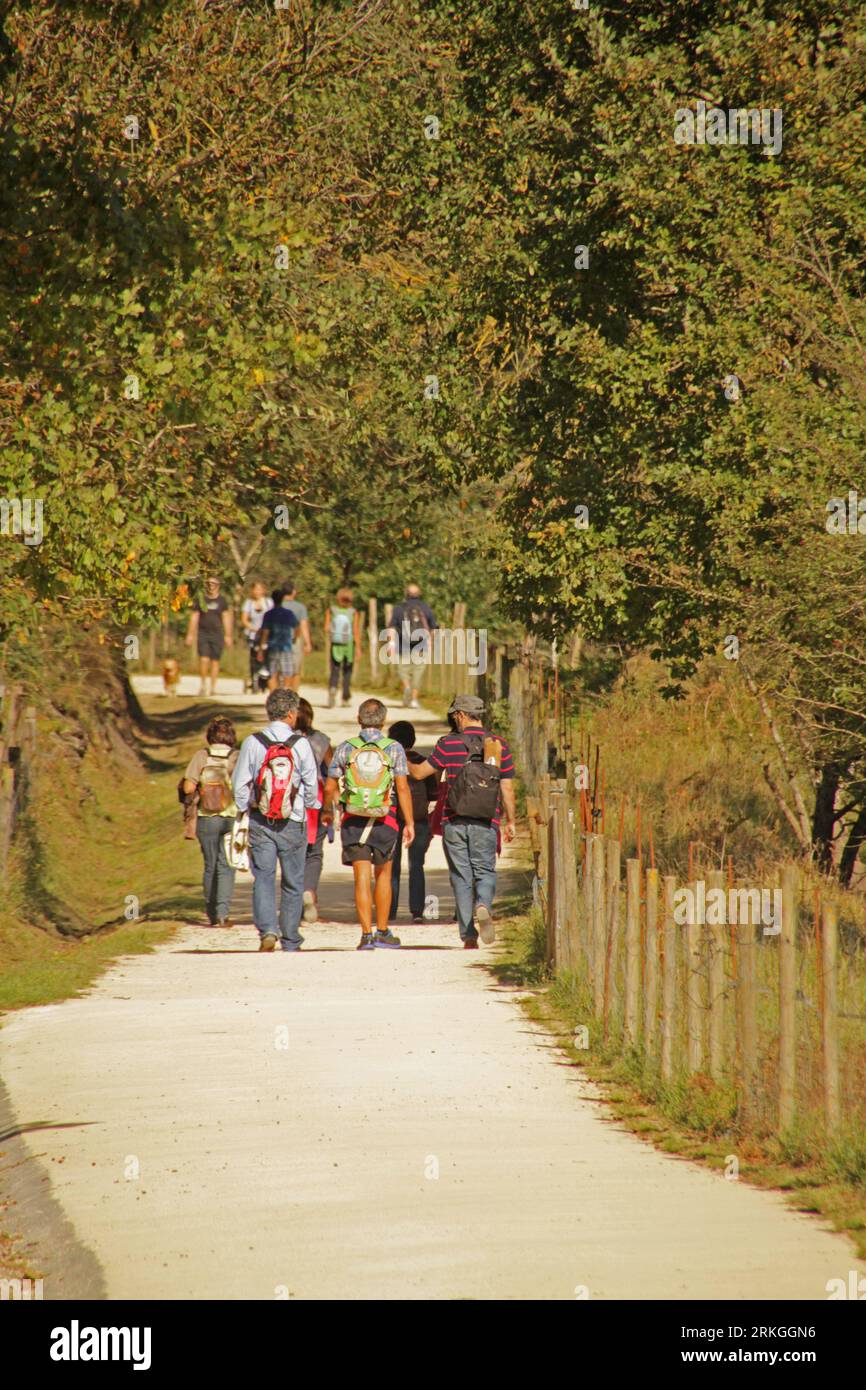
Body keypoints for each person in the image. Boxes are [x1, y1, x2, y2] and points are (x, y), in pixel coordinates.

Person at [408, 694, 516, 949]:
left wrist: (405, 760)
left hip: (454, 820)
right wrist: (510, 820)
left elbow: (422, 772)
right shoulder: (498, 744)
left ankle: (468, 936)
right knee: (485, 871)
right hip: (487, 819)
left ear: (460, 715)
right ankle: (483, 905)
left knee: (461, 876)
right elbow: (507, 787)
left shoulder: (448, 743)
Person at [321, 698, 414, 951]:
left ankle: (366, 935)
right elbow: (403, 787)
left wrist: (327, 812)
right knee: (383, 875)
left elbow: (330, 786)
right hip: (386, 819)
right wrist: (410, 822)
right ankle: (383, 931)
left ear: (358, 719)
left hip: (353, 819)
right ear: (383, 722)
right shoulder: (393, 748)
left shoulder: (345, 748)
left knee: (361, 877)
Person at [232, 688, 320, 952]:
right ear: (292, 714)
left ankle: (268, 931)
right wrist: (307, 807)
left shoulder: (252, 742)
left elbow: (240, 784)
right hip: (293, 821)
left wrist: (245, 808)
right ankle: (291, 937)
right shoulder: (301, 744)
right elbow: (311, 784)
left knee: (264, 878)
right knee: (293, 881)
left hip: (261, 820)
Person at [181, 716, 240, 928]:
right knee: (226, 865)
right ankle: (223, 913)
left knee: (210, 865)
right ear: (231, 736)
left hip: (206, 817)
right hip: (231, 816)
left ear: (210, 735)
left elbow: (188, 787)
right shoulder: (236, 756)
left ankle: (211, 912)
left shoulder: (201, 756)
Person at [387, 720, 438, 924]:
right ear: (413, 739)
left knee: (392, 865)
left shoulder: (388, 761)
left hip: (392, 817)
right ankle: (417, 911)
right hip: (419, 818)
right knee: (416, 865)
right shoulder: (422, 761)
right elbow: (433, 795)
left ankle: (389, 910)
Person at [295, 696, 333, 923]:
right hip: (315, 797)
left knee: (292, 852)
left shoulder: (282, 738)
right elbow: (333, 769)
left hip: (288, 798)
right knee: (314, 852)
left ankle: (294, 900)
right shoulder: (320, 739)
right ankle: (309, 890)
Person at [388, 583, 438, 708]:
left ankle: (407, 687)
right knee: (418, 671)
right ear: (419, 594)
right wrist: (430, 643)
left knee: (403, 669)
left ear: (406, 594)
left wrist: (391, 643)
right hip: (421, 645)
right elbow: (433, 628)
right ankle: (414, 699)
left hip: (402, 644)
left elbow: (391, 627)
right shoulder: (425, 608)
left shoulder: (399, 608)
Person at [185, 576, 232, 697]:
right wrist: (190, 634)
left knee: (215, 661)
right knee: (204, 659)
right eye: (209, 583)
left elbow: (226, 617)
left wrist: (228, 635)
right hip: (203, 633)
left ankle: (213, 687)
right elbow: (195, 616)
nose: (211, 586)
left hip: (217, 634)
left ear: (218, 585)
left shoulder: (222, 601)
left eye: (213, 584)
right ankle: (203, 685)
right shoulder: (201, 600)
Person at [258, 588, 300, 692]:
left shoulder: (268, 614)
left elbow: (265, 633)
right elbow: (297, 628)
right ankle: (285, 693)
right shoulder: (289, 613)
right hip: (286, 647)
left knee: (272, 672)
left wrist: (261, 648)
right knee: (287, 672)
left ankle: (273, 696)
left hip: (273, 647)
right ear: (283, 599)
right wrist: (294, 638)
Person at [324, 587, 360, 708]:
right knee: (347, 672)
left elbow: (326, 628)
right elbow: (355, 631)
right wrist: (358, 648)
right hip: (349, 646)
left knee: (334, 670)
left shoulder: (331, 610)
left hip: (336, 646)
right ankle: (345, 697)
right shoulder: (353, 612)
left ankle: (333, 689)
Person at [240, 580, 273, 693]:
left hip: (267, 634)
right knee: (254, 658)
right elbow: (244, 619)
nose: (258, 592)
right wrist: (253, 628)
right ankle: (254, 679)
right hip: (253, 634)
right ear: (252, 590)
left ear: (263, 590)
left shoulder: (268, 602)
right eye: (256, 589)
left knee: (266, 657)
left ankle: (265, 680)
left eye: (260, 589)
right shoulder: (248, 603)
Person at [281, 581, 313, 691]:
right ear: (294, 592)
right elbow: (303, 626)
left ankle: (283, 691)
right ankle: (294, 694)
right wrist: (308, 643)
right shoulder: (300, 607)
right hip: (294, 641)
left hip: (279, 640)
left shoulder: (276, 605)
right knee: (296, 670)